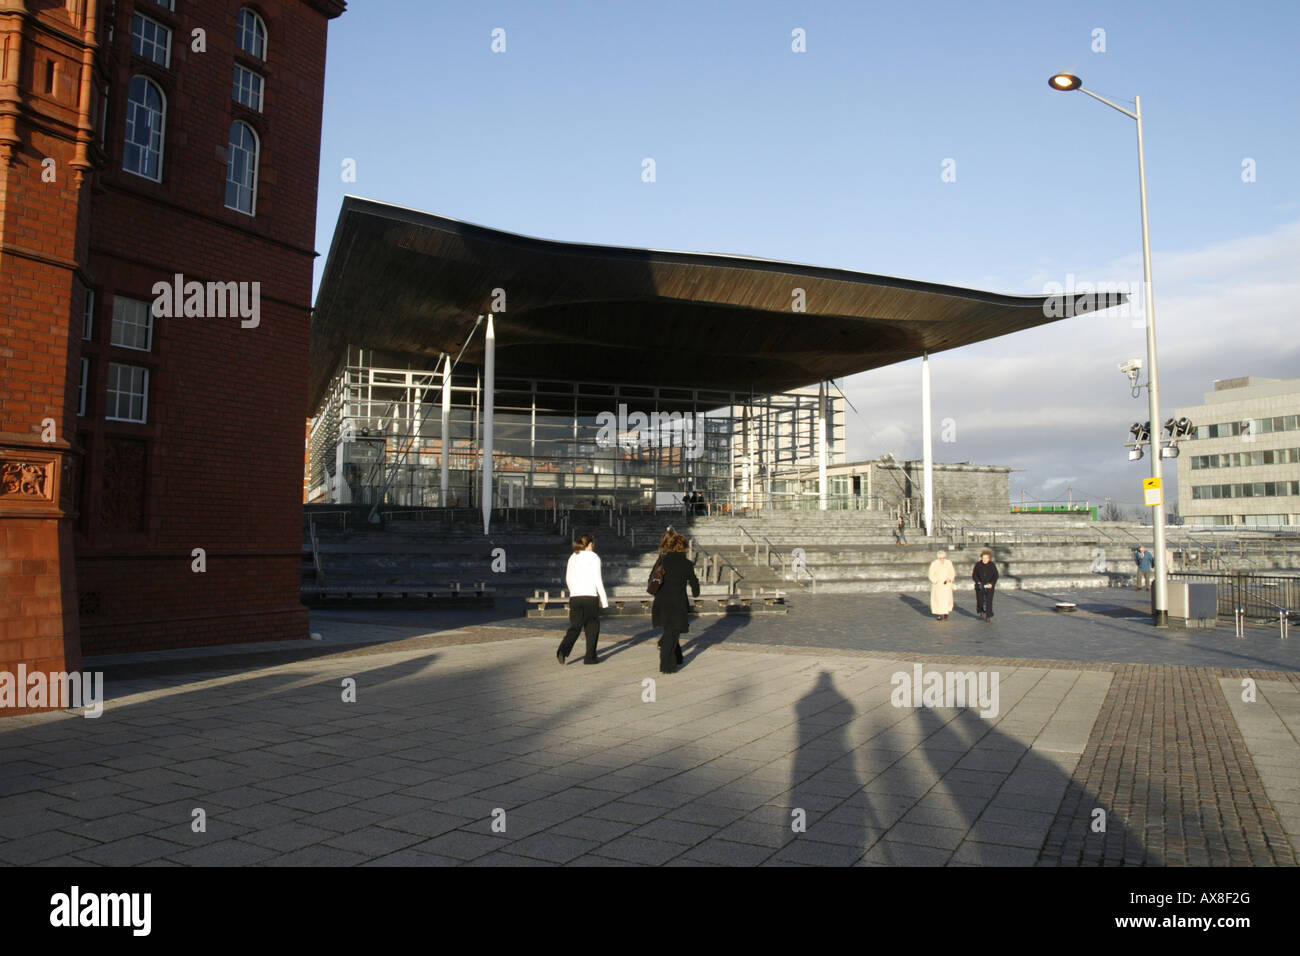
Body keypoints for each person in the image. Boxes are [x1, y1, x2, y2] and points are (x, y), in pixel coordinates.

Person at [652, 530, 700, 674]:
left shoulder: (663, 560)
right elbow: (694, 584)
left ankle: (677, 658)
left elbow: (652, 578)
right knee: (671, 633)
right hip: (677, 602)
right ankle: (666, 665)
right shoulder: (686, 564)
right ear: (684, 547)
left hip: (661, 601)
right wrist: (695, 592)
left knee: (670, 631)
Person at [557, 534, 609, 665]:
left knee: (575, 626)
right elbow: (598, 579)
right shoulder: (594, 557)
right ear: (590, 544)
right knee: (592, 626)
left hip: (575, 596)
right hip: (590, 596)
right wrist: (604, 599)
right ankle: (590, 657)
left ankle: (563, 650)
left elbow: (568, 578)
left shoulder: (573, 557)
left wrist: (573, 590)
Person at [927, 550, 956, 620]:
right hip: (938, 585)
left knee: (947, 599)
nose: (942, 559)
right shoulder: (934, 563)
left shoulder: (948, 563)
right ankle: (939, 614)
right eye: (940, 558)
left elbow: (952, 572)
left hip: (947, 584)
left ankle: (946, 612)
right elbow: (931, 573)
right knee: (938, 600)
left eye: (943, 558)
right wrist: (935, 581)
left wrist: (950, 579)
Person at [973, 549, 998, 621]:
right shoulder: (978, 564)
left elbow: (996, 575)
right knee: (980, 600)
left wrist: (991, 583)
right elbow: (974, 575)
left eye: (986, 558)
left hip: (989, 585)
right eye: (983, 558)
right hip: (980, 585)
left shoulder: (992, 565)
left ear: (989, 558)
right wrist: (978, 581)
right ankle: (981, 611)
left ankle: (988, 615)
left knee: (989, 601)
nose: (985, 559)